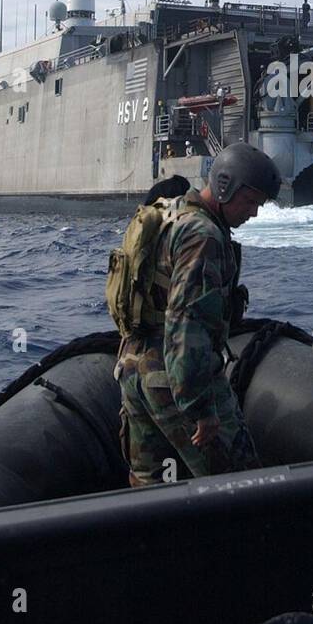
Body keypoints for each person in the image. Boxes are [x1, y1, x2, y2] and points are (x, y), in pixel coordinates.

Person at [112, 143, 281, 486]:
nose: (254, 213)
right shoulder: (204, 235)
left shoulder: (166, 213)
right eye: (250, 202)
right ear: (224, 185)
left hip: (132, 368)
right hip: (174, 378)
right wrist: (200, 408)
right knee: (241, 483)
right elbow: (187, 325)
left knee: (150, 483)